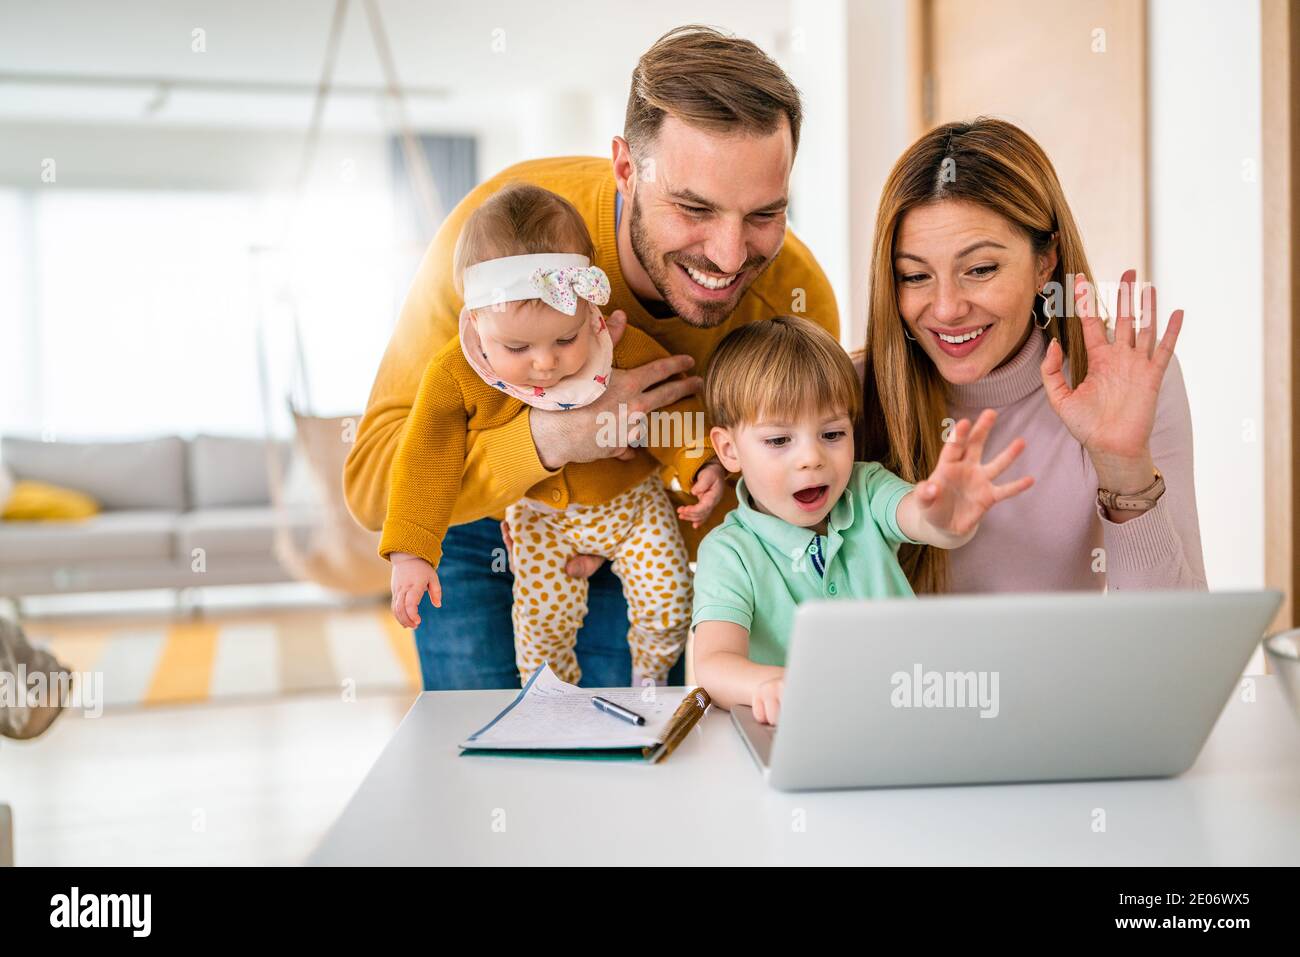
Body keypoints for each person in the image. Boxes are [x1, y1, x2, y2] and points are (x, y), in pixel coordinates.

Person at [345, 26, 837, 688]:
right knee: (487, 751)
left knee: (622, 754)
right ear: (626, 169)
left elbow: (780, 502)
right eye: (694, 208)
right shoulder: (495, 244)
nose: (728, 255)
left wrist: (646, 512)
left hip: (646, 521)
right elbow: (376, 484)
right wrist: (553, 441)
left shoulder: (792, 299)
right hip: (475, 520)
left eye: (763, 215)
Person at [381, 183, 726, 687]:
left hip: (634, 504)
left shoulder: (616, 343)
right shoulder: (455, 373)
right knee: (542, 626)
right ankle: (551, 700)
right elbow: (425, 457)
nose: (545, 362)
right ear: (476, 323)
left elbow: (670, 404)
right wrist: (413, 552)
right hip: (543, 517)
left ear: (589, 310)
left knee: (671, 600)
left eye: (565, 339)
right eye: (517, 347)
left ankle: (650, 683)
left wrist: (699, 465)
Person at [858, 118, 1206, 595]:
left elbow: (1179, 649)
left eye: (979, 269)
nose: (946, 309)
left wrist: (1125, 469)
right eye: (915, 276)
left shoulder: (1121, 382)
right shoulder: (849, 394)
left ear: (1046, 262)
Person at [691, 316, 1032, 724]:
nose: (811, 458)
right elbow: (714, 662)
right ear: (729, 450)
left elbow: (917, 517)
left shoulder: (866, 488)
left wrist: (945, 515)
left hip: (913, 716)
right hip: (805, 727)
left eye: (832, 434)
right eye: (779, 440)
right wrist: (766, 685)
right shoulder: (729, 551)